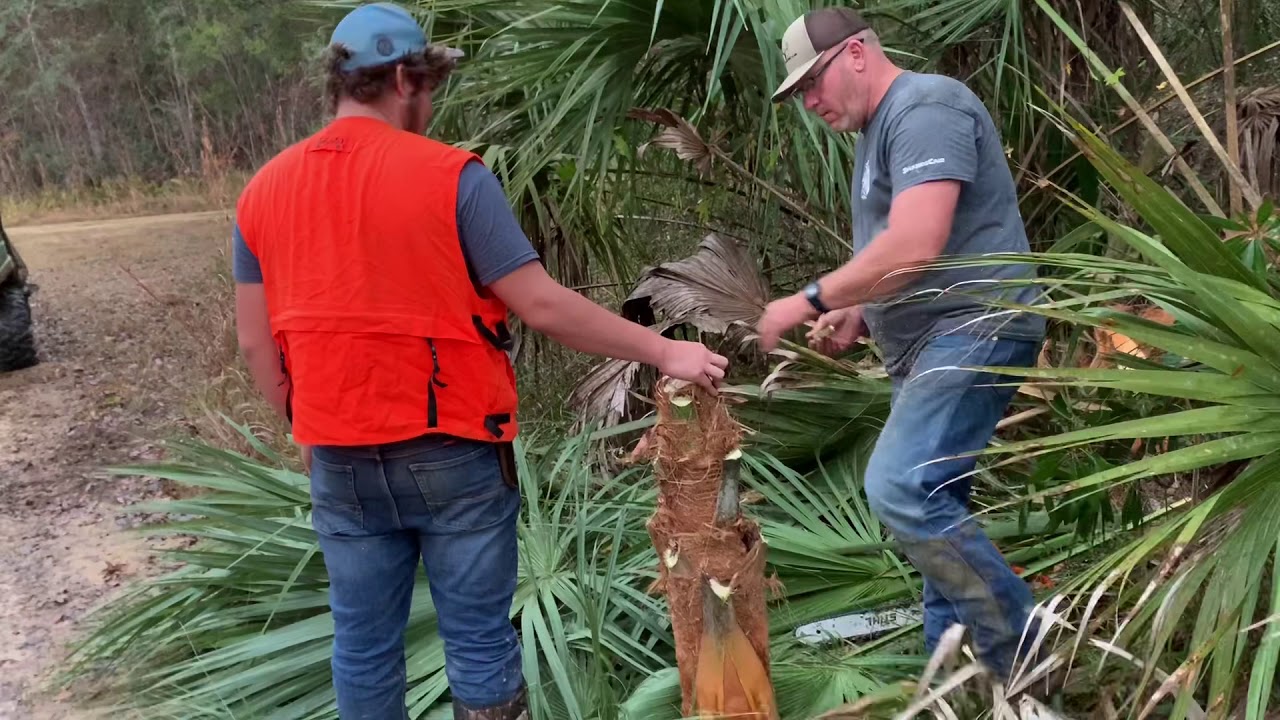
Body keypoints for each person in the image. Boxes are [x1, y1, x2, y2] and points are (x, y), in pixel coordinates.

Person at [231, 4, 729, 718]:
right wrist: (664, 348)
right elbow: (542, 305)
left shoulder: (263, 193)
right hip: (453, 451)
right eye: (429, 87)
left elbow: (257, 343)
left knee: (363, 647)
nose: (431, 106)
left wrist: (301, 425)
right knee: (478, 642)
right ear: (403, 80)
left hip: (337, 453)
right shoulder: (452, 178)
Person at [756, 7, 1047, 682]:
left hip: (975, 327)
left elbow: (916, 242)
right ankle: (947, 680)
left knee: (900, 487)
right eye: (800, 91)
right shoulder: (877, 133)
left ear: (857, 53)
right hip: (930, 344)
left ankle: (1024, 652)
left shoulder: (924, 107)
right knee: (934, 503)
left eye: (814, 81)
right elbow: (906, 255)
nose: (810, 102)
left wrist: (809, 297)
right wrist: (860, 306)